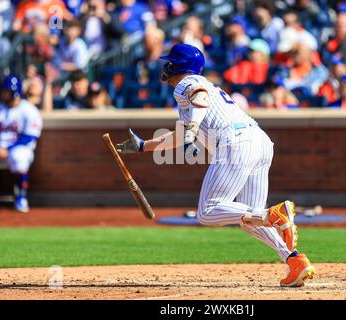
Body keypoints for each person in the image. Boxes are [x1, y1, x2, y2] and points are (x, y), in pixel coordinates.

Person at [115, 43, 316, 287]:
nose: (166, 66)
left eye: (170, 62)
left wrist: (192, 128)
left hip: (236, 143)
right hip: (260, 142)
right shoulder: (196, 94)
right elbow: (181, 134)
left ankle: (272, 214)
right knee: (250, 219)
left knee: (208, 212)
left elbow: (199, 94)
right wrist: (142, 145)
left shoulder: (187, 83)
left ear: (178, 65)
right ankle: (294, 260)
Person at [0, 75, 43, 213]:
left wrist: (8, 149)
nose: (3, 93)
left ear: (15, 91)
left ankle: (21, 197)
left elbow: (30, 136)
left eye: (6, 91)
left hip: (17, 149)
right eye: (3, 90)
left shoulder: (29, 110)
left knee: (19, 157)